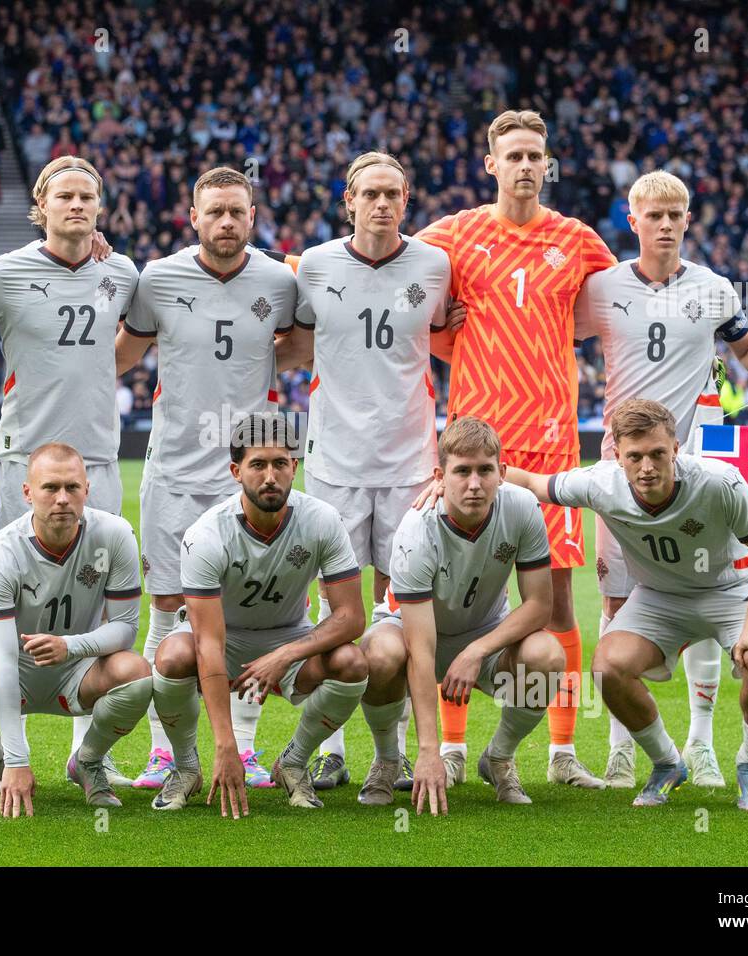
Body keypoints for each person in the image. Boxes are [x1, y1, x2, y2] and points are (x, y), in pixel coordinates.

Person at [414, 109, 616, 788]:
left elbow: (619, 305)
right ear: (491, 164)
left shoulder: (577, 240)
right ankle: (450, 747)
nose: (526, 166)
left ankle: (560, 753)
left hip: (551, 446)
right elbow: (392, 277)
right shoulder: (453, 234)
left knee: (556, 601)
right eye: (514, 155)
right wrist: (441, 330)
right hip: (473, 446)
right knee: (452, 596)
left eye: (536, 156)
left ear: (547, 164)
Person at [572, 169, 748, 788]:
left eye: (676, 215)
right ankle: (622, 749)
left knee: (705, 587)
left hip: (695, 468)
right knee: (617, 600)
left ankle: (701, 742)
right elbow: (550, 335)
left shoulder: (713, 288)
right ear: (632, 219)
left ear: (688, 220)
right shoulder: (601, 287)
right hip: (622, 470)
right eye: (654, 215)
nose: (665, 225)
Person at [275, 150, 455, 792]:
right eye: (369, 194)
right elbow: (297, 342)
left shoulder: (435, 265)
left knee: (402, 606)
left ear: (406, 200)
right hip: (335, 460)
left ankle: (390, 752)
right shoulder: (316, 265)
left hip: (410, 460)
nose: (381, 204)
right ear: (347, 201)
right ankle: (330, 749)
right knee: (337, 606)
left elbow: (446, 330)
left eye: (392, 194)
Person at [114, 167, 298, 791]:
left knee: (242, 617)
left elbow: (303, 345)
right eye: (214, 211)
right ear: (193, 217)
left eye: (236, 212)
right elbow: (122, 355)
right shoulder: (157, 279)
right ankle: (166, 752)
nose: (226, 222)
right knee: (167, 609)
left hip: (246, 477)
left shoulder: (279, 280)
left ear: (253, 217)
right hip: (172, 473)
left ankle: (243, 748)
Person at [507, 399, 748, 810]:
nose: (647, 467)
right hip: (659, 597)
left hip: (727, 590)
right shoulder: (600, 483)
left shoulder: (718, 482)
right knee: (608, 668)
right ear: (618, 456)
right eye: (635, 457)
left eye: (657, 453)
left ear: (676, 448)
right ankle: (667, 763)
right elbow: (532, 483)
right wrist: (471, 475)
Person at [0, 156, 141, 787]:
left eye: (86, 197)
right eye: (64, 196)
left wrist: (95, 371)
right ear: (39, 207)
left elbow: (131, 343)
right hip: (23, 456)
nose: (76, 205)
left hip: (97, 456)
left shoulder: (120, 273)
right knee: (7, 596)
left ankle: (85, 755)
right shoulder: (3, 274)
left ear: (100, 207)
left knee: (95, 599)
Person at [149, 414, 368, 814]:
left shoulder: (322, 519)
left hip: (289, 638)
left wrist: (285, 655)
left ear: (294, 467)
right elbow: (208, 642)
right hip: (224, 638)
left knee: (352, 662)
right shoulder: (206, 534)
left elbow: (352, 617)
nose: (270, 476)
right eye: (258, 465)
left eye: (280, 463)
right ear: (236, 471)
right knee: (172, 656)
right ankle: (186, 767)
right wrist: (226, 746)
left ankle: (294, 762)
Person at [0, 443, 152, 814]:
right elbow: (2, 658)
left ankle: (88, 760)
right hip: (12, 665)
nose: (62, 499)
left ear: (87, 489)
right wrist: (17, 759)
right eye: (50, 487)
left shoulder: (116, 535)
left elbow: (125, 628)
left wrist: (70, 646)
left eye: (72, 487)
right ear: (27, 492)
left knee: (136, 675)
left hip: (78, 668)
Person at [360, 416, 559, 810]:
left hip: (484, 633)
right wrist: (429, 751)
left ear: (502, 473)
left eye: (485, 470)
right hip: (410, 634)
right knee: (380, 655)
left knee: (547, 656)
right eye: (462, 471)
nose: (475, 484)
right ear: (440, 476)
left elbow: (540, 605)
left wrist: (476, 650)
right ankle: (387, 759)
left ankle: (499, 758)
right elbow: (420, 649)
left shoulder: (522, 507)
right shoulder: (416, 530)